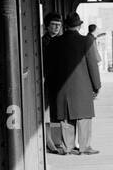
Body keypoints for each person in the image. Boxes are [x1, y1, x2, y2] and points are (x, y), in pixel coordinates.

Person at [44, 12, 102, 154]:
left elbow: (49, 68)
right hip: (82, 87)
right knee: (83, 117)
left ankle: (68, 147)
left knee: (66, 118)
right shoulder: (86, 41)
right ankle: (84, 147)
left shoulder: (55, 42)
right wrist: (97, 86)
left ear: (65, 26)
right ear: (79, 26)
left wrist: (52, 87)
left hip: (61, 88)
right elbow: (92, 66)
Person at [41, 12, 67, 154]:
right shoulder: (41, 42)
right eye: (54, 25)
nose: (57, 28)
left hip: (59, 82)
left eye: (59, 25)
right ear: (47, 26)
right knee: (46, 113)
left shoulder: (62, 40)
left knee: (58, 113)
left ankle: (58, 141)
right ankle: (50, 142)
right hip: (46, 81)